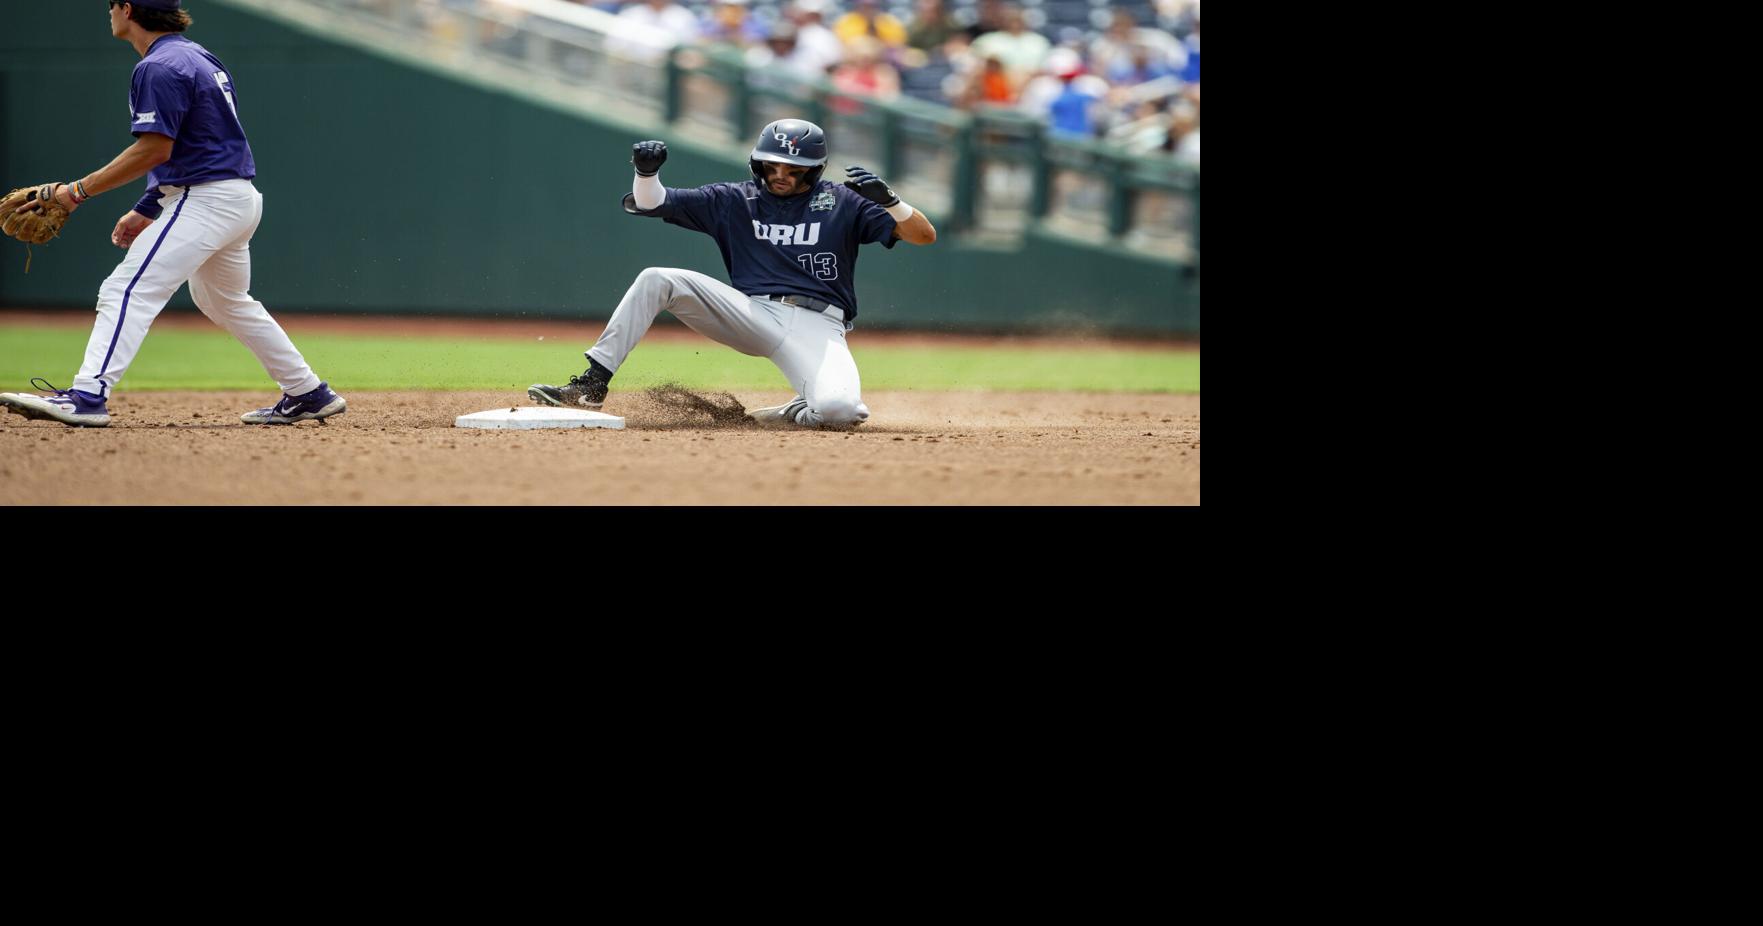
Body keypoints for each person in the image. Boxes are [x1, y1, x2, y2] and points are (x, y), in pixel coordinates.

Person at [0, 1, 343, 429]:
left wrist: (76, 192)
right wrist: (148, 207)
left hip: (205, 200)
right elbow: (196, 141)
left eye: (112, 4)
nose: (109, 12)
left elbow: (154, 149)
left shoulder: (158, 66)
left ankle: (87, 396)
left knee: (125, 290)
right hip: (234, 196)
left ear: (128, 9)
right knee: (222, 299)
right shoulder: (196, 56)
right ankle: (307, 390)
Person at [527, 119, 937, 429]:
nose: (780, 174)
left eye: (793, 168)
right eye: (772, 164)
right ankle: (592, 384)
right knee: (658, 278)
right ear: (757, 163)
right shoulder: (734, 198)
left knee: (840, 412)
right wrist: (646, 174)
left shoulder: (843, 200)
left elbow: (924, 236)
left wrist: (892, 203)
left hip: (820, 325)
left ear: (815, 170)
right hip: (753, 313)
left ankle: (797, 410)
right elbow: (651, 203)